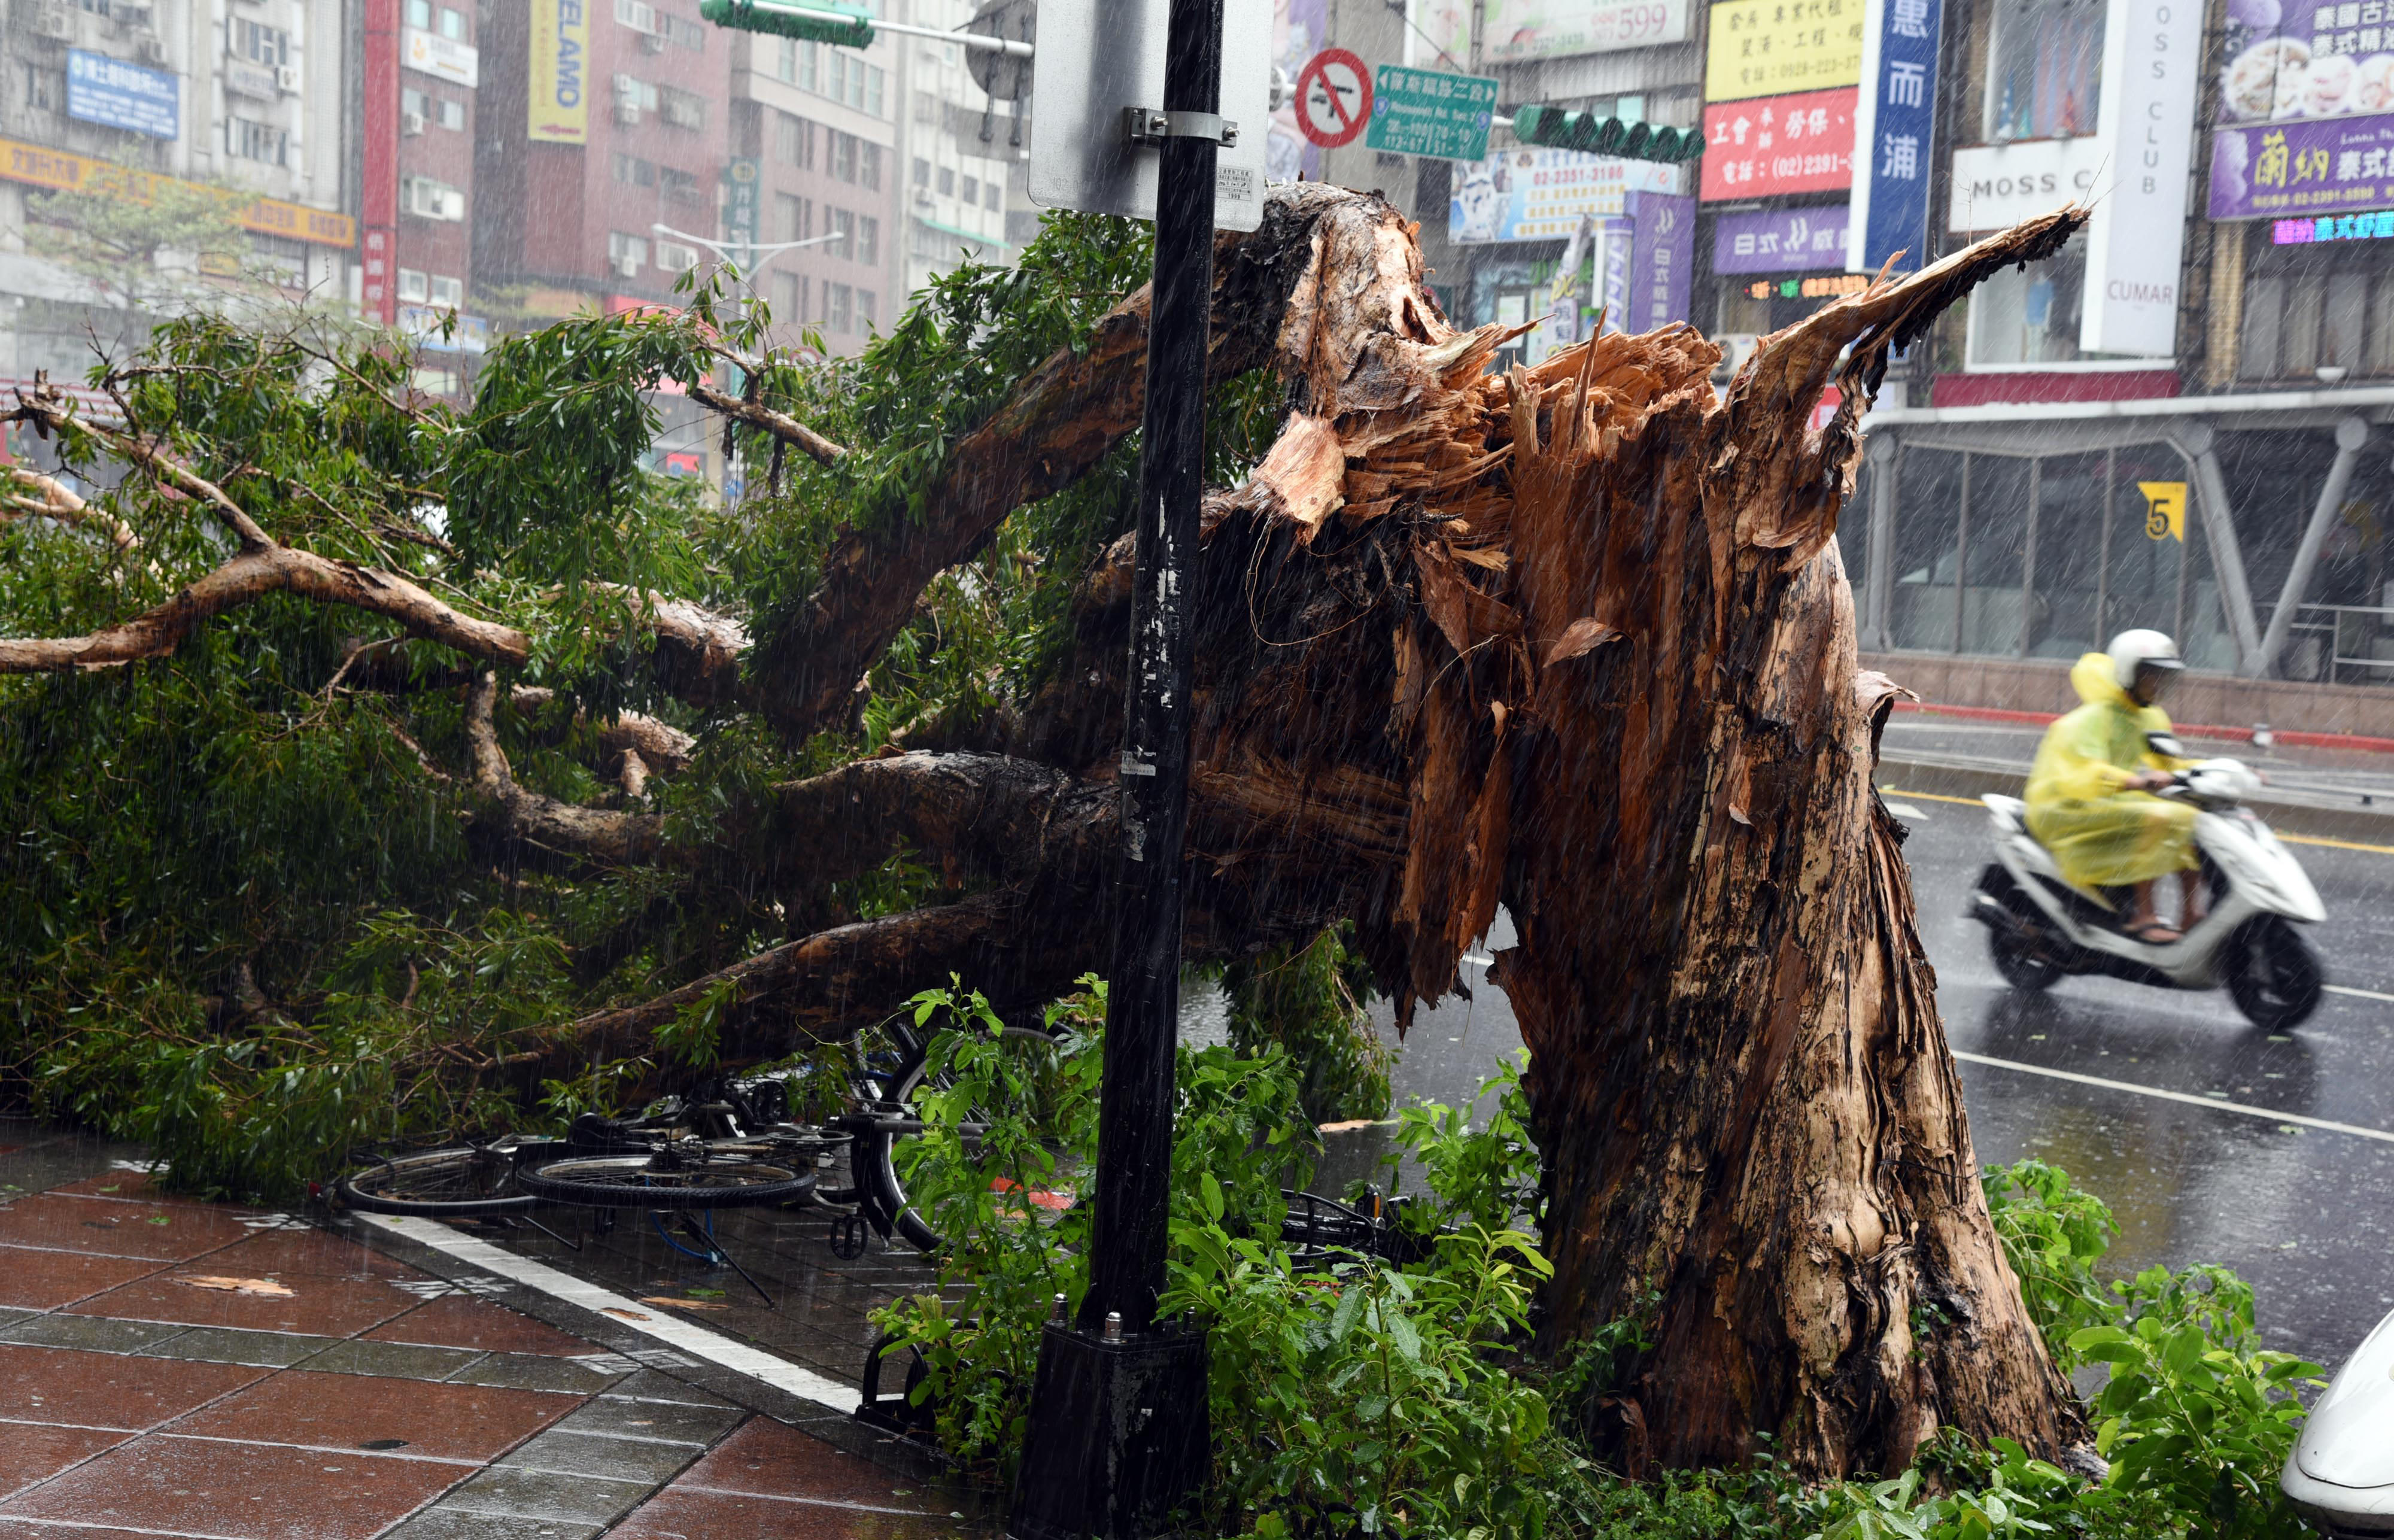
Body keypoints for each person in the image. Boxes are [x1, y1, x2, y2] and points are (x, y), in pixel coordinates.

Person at [2022, 630, 2204, 941]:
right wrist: (2133, 780)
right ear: (2129, 673)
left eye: (2164, 676)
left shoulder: (2147, 718)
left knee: (2191, 821)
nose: (2159, 684)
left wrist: (2215, 772)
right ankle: (2143, 917)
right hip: (2065, 806)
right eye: (2153, 675)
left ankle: (2191, 916)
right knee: (2157, 818)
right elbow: (2082, 770)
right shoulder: (2093, 718)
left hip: (2107, 799)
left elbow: (2171, 764)